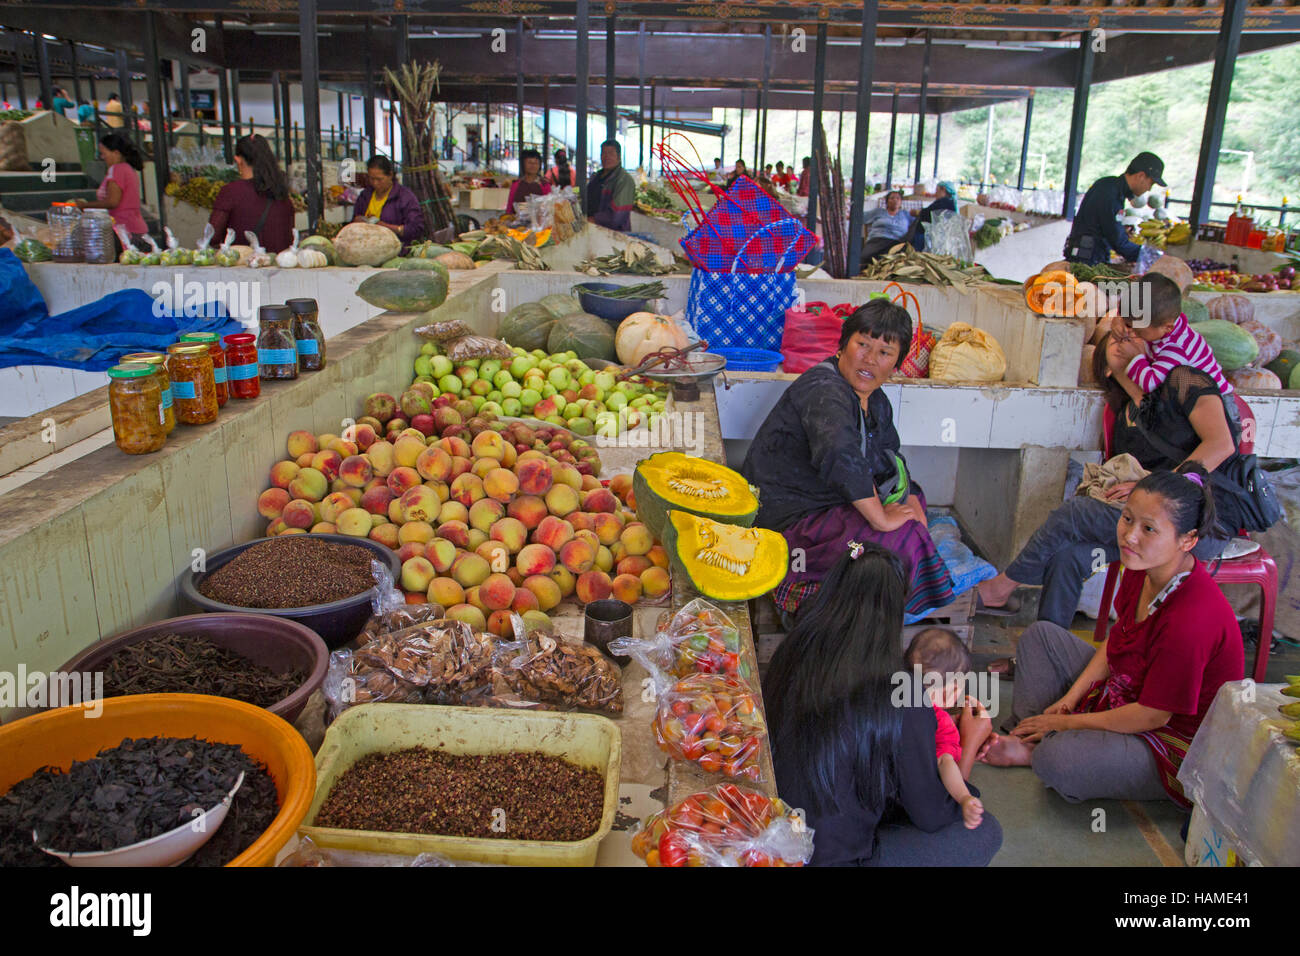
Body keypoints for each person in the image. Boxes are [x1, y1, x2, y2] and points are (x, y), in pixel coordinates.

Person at [979, 465, 1244, 807]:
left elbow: (1151, 715)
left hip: (1168, 741)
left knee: (1058, 761)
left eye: (1148, 528)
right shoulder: (1141, 567)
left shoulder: (1192, 617)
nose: (1129, 536)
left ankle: (1041, 748)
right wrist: (1067, 703)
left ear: (1188, 540)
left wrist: (1068, 725)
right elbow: (1118, 639)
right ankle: (1041, 732)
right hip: (1129, 692)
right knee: (1041, 637)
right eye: (1127, 519)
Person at [977, 341, 1252, 630]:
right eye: (1118, 341)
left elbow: (1222, 444)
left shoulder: (1181, 386)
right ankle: (1046, 647)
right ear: (1109, 368)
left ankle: (1001, 588)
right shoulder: (1123, 418)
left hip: (1197, 528)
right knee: (1067, 557)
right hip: (1146, 526)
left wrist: (1147, 484)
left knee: (1075, 513)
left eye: (1133, 335)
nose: (1130, 340)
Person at [764, 543, 1002, 866]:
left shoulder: (792, 650)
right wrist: (969, 745)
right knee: (985, 831)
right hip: (830, 858)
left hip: (772, 836)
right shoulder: (902, 693)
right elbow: (930, 815)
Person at [741, 299, 956, 622]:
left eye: (884, 352)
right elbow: (840, 455)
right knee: (899, 538)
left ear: (896, 363)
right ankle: (809, 584)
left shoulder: (875, 401)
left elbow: (889, 458)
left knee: (915, 498)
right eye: (862, 344)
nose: (869, 359)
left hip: (830, 503)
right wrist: (882, 520)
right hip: (788, 523)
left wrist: (910, 501)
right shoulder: (824, 389)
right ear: (843, 344)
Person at [904, 627, 990, 829]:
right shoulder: (939, 722)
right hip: (908, 805)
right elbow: (945, 762)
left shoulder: (895, 699)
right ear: (948, 692)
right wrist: (964, 797)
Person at [1111, 273, 1234, 398]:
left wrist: (1134, 357)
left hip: (1214, 405)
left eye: (1138, 331)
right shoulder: (1164, 320)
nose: (1132, 332)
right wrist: (1119, 320)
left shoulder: (1175, 348)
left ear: (1167, 327)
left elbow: (1152, 385)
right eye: (1129, 325)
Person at [1064, 151, 1165, 265]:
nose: (1149, 189)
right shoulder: (1111, 195)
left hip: (1086, 253)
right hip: (1086, 259)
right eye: (1150, 184)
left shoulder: (1109, 185)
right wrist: (1148, 257)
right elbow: (1118, 241)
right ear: (1141, 176)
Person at [208, 134, 295, 253]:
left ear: (238, 159)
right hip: (277, 265)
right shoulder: (281, 193)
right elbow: (289, 238)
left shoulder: (230, 192)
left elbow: (212, 236)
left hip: (244, 267)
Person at [73, 133, 147, 243]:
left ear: (116, 153)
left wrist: (84, 206)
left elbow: (112, 202)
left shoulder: (117, 169)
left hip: (123, 230)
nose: (102, 157)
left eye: (104, 153)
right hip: (133, 227)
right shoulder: (128, 169)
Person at [350, 154, 425, 251]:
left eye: (379, 179)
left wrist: (386, 227)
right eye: (371, 179)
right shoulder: (365, 195)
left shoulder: (405, 197)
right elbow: (354, 221)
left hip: (397, 251)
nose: (375, 183)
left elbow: (416, 228)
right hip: (366, 250)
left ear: (390, 175)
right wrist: (357, 221)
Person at [583, 140, 636, 232]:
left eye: (611, 153)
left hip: (613, 235)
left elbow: (618, 215)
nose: (606, 157)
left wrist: (593, 219)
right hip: (592, 230)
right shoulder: (596, 177)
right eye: (603, 153)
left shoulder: (624, 180)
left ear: (619, 157)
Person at [859, 190, 913, 266]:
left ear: (901, 202)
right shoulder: (878, 212)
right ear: (887, 202)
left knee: (898, 262)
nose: (895, 200)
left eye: (898, 198)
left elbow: (916, 225)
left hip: (897, 243)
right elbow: (860, 217)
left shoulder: (905, 214)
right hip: (877, 241)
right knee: (865, 259)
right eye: (892, 198)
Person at [910, 181, 957, 253]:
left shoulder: (944, 202)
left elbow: (930, 214)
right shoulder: (949, 202)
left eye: (937, 190)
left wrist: (917, 212)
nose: (935, 194)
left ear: (943, 189)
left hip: (928, 236)